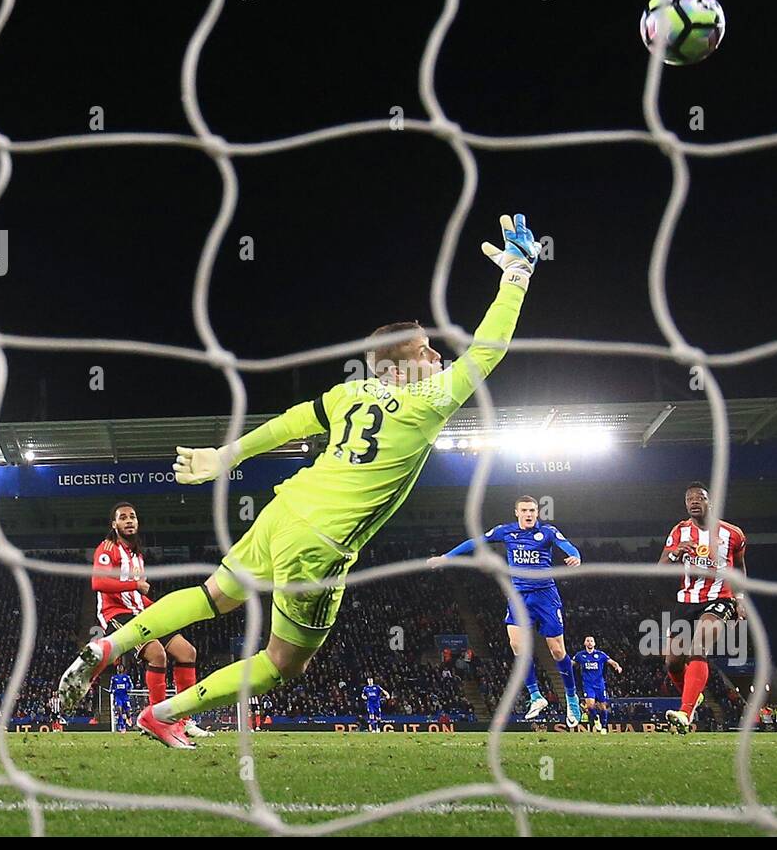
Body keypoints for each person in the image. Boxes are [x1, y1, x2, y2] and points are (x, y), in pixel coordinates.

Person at [58, 213, 543, 748]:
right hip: (320, 543)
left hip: (283, 511)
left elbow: (293, 420)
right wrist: (516, 276)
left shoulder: (348, 394)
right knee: (281, 664)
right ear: (399, 371)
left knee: (213, 594)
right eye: (425, 350)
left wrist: (228, 455)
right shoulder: (430, 400)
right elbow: (488, 349)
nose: (436, 354)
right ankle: (164, 712)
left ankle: (108, 647)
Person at [430, 496, 584, 725]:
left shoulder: (548, 532)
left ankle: (571, 698)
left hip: (545, 597)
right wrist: (446, 557)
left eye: (533, 510)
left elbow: (567, 545)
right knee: (516, 645)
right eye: (525, 510)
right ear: (517, 512)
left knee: (557, 651)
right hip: (519, 596)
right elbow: (476, 541)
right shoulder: (506, 532)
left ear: (537, 512)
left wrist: (576, 557)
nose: (529, 514)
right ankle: (536, 696)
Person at [91, 502, 212, 742]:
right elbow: (99, 583)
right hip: (116, 614)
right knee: (157, 654)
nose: (129, 520)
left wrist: (159, 608)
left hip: (139, 611)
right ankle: (158, 721)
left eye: (132, 517)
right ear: (114, 525)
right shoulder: (107, 549)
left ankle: (185, 720)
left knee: (187, 652)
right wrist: (136, 585)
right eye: (123, 517)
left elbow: (137, 594)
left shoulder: (136, 555)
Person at [657, 482, 747, 733]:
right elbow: (661, 566)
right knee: (673, 662)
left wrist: (739, 598)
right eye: (689, 499)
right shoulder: (679, 532)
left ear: (711, 502)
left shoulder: (732, 534)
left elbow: (739, 568)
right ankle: (692, 698)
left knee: (698, 648)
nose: (694, 502)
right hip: (686, 600)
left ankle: (685, 713)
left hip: (721, 598)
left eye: (700, 497)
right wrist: (676, 553)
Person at [572, 635, 622, 733]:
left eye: (591, 641)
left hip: (599, 684)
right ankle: (595, 718)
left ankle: (604, 726)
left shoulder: (600, 655)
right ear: (585, 643)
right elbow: (571, 663)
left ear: (594, 643)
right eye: (588, 641)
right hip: (588, 685)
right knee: (590, 706)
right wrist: (564, 665)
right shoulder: (580, 655)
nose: (590, 642)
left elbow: (611, 662)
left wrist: (617, 666)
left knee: (603, 706)